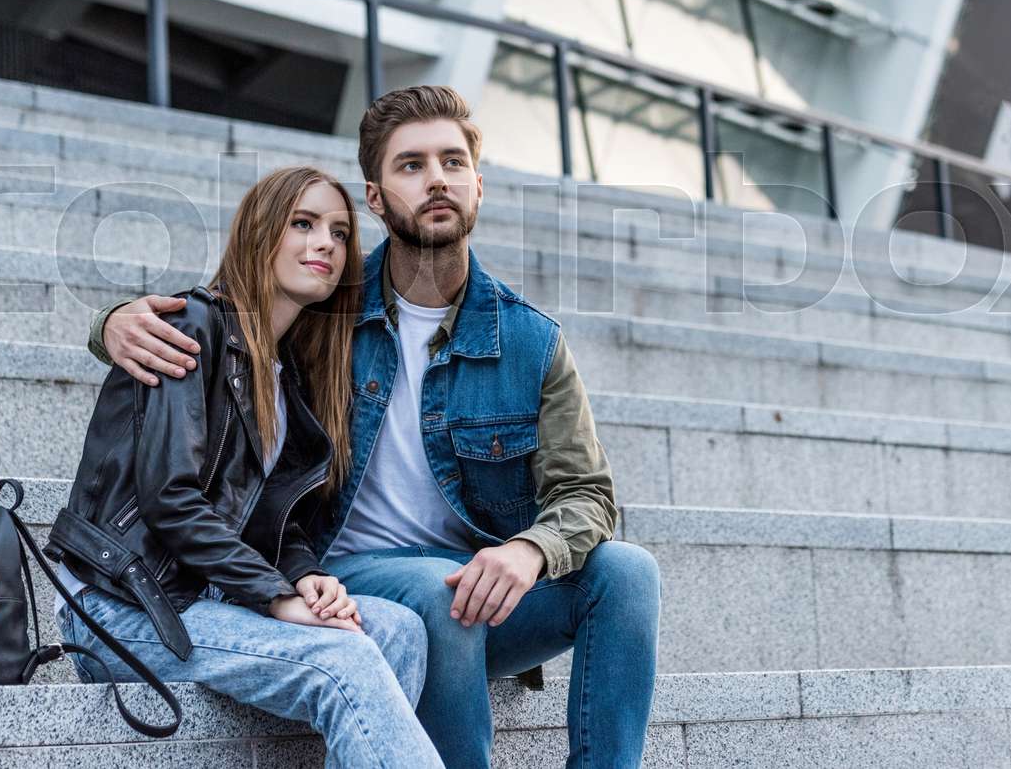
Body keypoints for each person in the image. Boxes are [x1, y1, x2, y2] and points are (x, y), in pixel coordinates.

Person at [92, 87, 661, 769]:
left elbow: (588, 495)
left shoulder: (529, 341)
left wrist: (530, 551)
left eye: (453, 162)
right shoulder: (326, 302)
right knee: (432, 590)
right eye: (411, 165)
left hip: (478, 581)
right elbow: (227, 317)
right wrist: (114, 322)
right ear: (376, 197)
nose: (438, 179)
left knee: (627, 570)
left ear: (478, 186)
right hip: (343, 570)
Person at [47, 165, 442, 768]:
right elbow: (169, 500)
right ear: (261, 234)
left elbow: (277, 524)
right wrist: (276, 596)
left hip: (203, 597)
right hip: (123, 605)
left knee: (399, 630)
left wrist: (305, 575)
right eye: (303, 224)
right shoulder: (190, 327)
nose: (325, 245)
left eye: (339, 234)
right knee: (345, 660)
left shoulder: (295, 374)